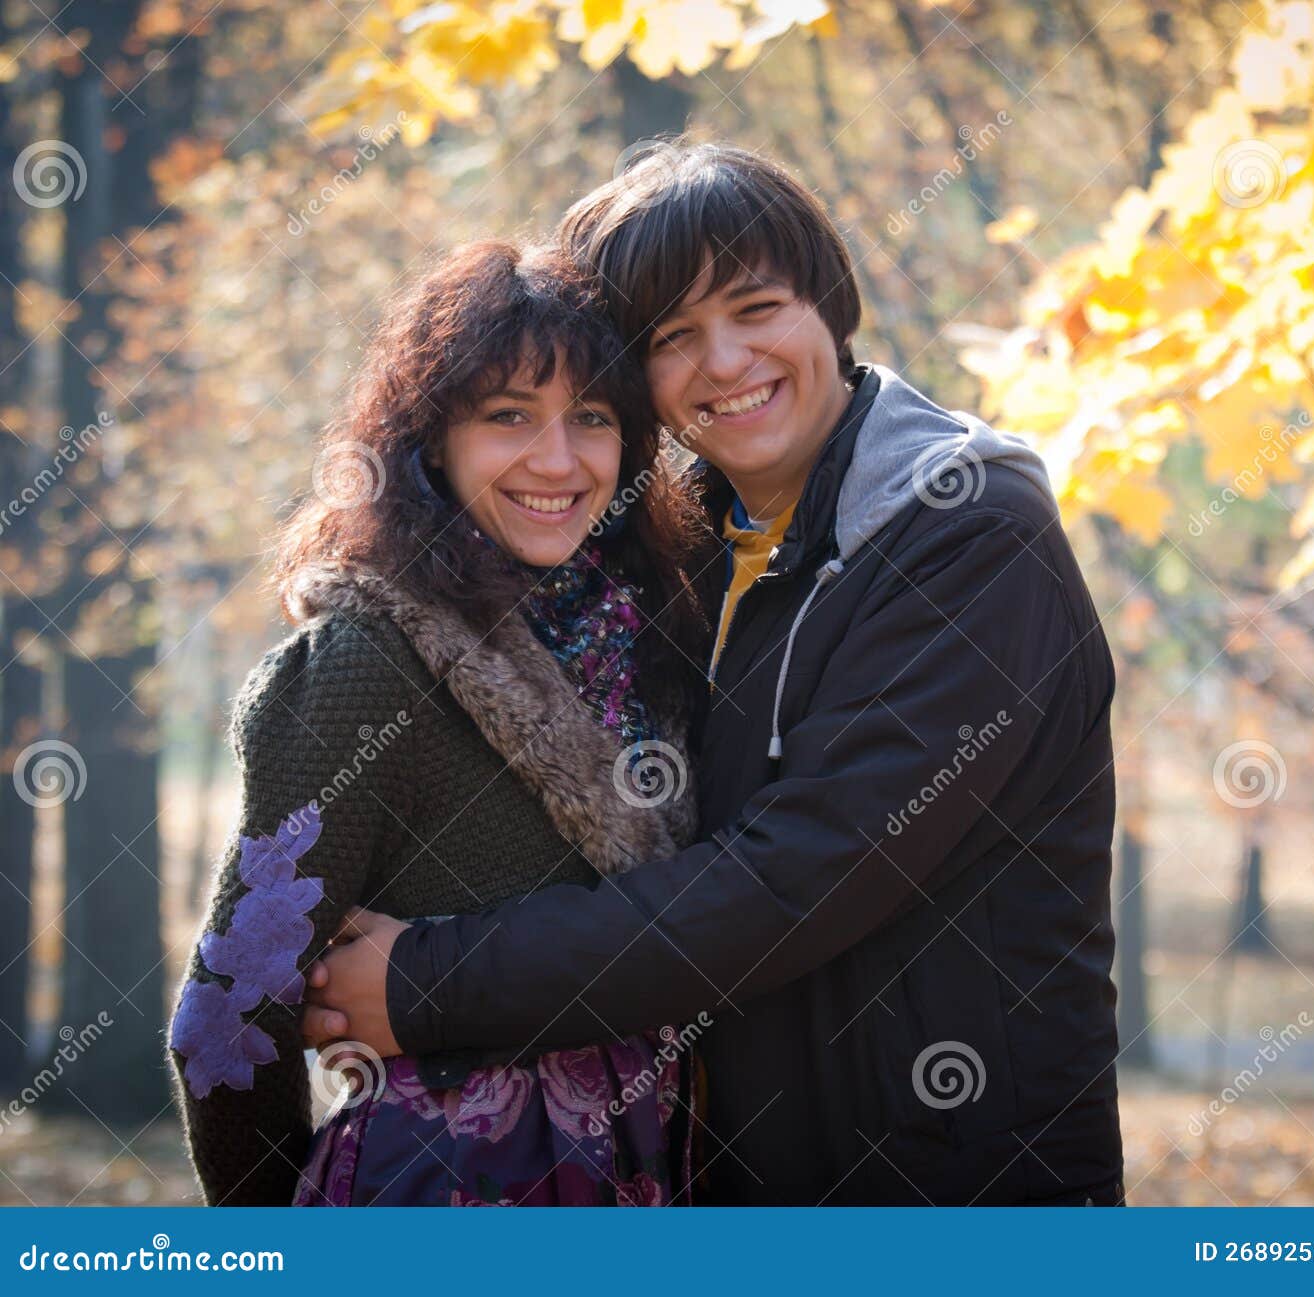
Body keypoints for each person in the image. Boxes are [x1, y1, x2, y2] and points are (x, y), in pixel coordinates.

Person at [304, 142, 1125, 1205]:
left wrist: (428, 985)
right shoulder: (679, 550)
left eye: (755, 307)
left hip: (954, 1184)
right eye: (671, 337)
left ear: (829, 304)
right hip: (731, 1177)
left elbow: (798, 874)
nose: (725, 362)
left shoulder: (968, 535)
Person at [166, 241, 708, 1206]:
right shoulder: (365, 669)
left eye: (590, 417)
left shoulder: (667, 640)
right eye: (509, 417)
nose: (557, 459)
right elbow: (225, 1021)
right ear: (429, 443)